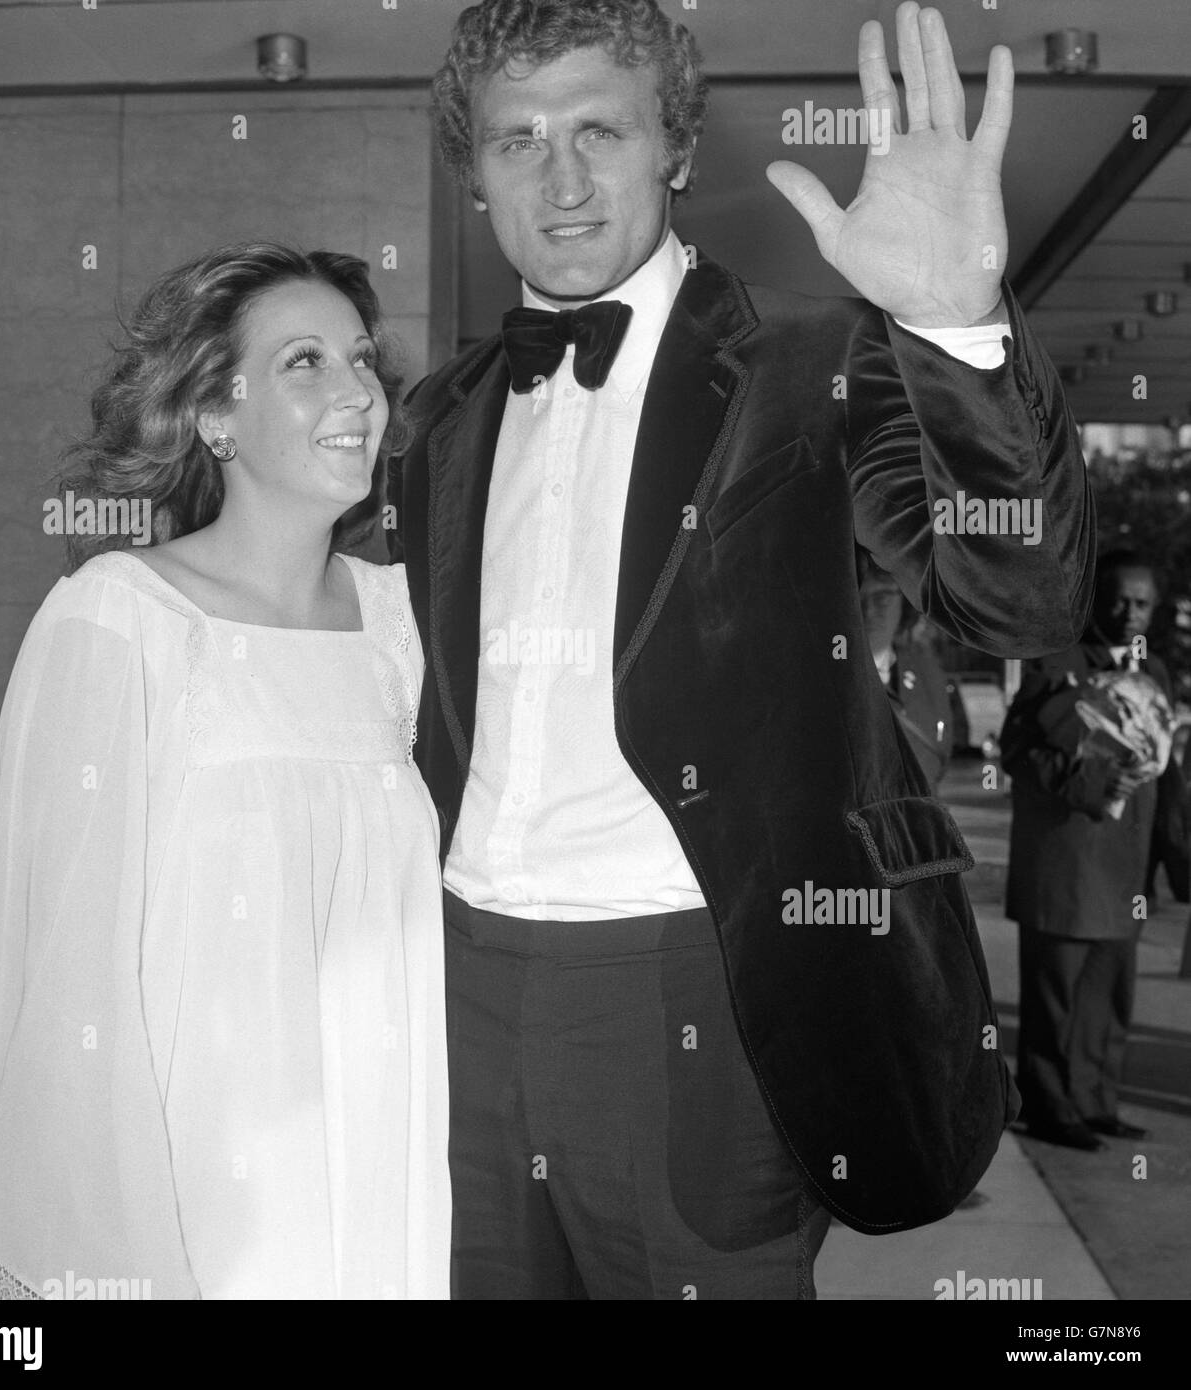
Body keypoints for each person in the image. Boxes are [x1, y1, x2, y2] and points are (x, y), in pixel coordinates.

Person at [390, 0, 1092, 1298]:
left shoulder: (809, 357)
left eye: (599, 128)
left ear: (676, 146)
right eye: (515, 138)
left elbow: (1022, 606)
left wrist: (955, 328)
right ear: (472, 169)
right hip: (458, 990)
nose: (559, 176)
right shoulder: (446, 413)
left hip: (697, 992)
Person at [0, 244, 451, 1299]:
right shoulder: (120, 616)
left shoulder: (399, 626)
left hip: (379, 1162)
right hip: (199, 1191)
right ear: (215, 417)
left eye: (362, 359)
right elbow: (68, 980)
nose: (356, 390)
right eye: (304, 361)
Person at [1002, 550, 1173, 1150]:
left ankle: (1096, 1099)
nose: (1130, 613)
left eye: (1143, 603)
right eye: (1121, 599)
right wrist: (1092, 782)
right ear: (1096, 598)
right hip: (1064, 859)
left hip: (1124, 864)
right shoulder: (1056, 661)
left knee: (1109, 993)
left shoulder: (1156, 674)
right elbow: (1017, 753)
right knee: (1058, 995)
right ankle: (1049, 1106)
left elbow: (1166, 773)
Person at [858, 554, 955, 788]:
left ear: (904, 603)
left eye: (881, 598)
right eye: (858, 600)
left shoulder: (926, 671)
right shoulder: (828, 676)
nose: (869, 611)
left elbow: (940, 749)